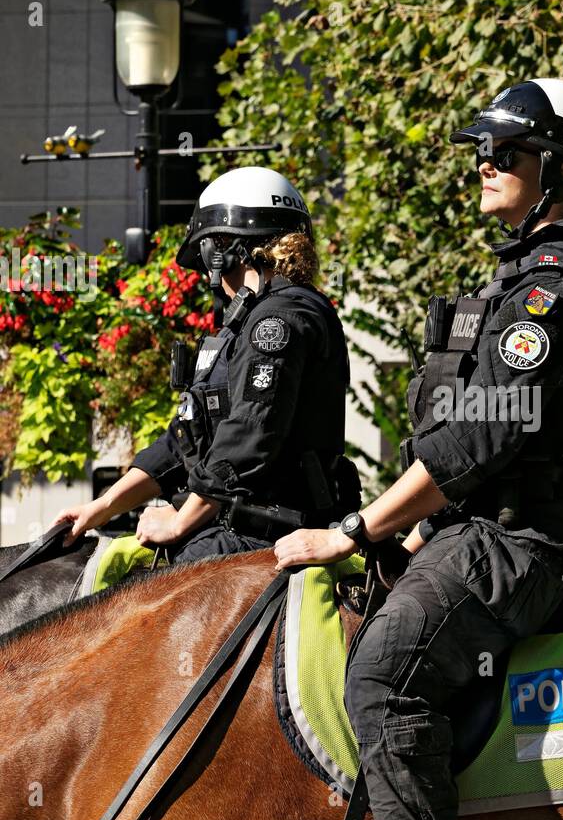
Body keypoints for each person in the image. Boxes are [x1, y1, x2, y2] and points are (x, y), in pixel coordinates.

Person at [274, 78, 563, 820]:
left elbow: (482, 437)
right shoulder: (516, 283)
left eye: (503, 154)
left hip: (517, 543)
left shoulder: (555, 290)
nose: (481, 166)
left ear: (559, 172)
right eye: (483, 152)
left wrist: (355, 529)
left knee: (384, 679)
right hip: (471, 532)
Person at [54, 166, 359, 562]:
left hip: (267, 538)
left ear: (225, 250)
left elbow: (251, 433)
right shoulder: (244, 327)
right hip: (232, 529)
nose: (209, 281)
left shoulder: (279, 319)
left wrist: (181, 520)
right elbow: (184, 439)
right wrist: (103, 507)